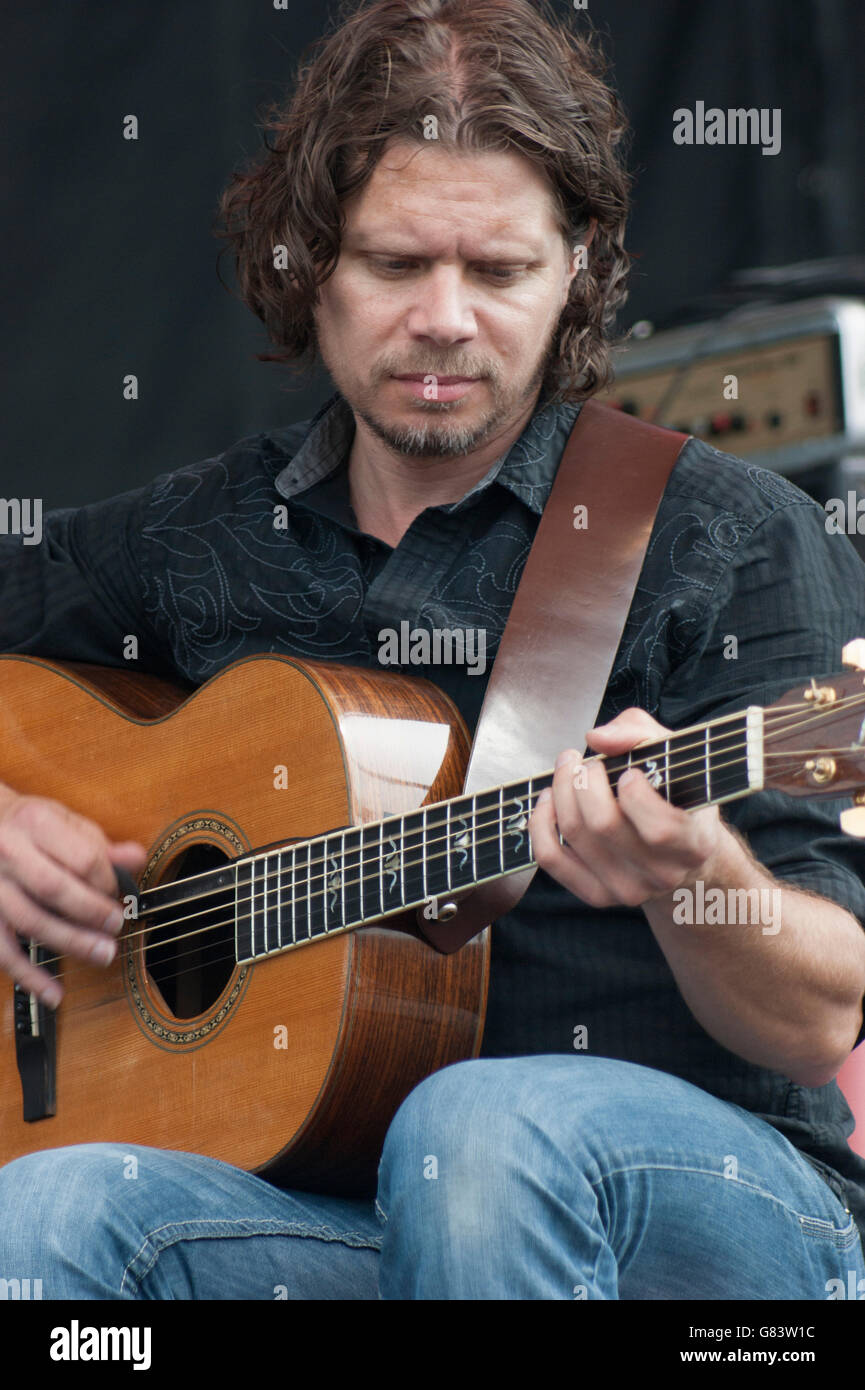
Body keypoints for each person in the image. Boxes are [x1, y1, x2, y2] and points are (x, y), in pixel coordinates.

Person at [1, 0, 865, 1301]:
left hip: (713, 1216)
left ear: (576, 266)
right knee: (46, 1204)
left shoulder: (723, 538)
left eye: (500, 270)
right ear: (306, 267)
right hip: (351, 1227)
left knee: (473, 1135)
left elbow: (816, 1015)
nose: (445, 319)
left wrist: (695, 873)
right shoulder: (199, 538)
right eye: (396, 265)